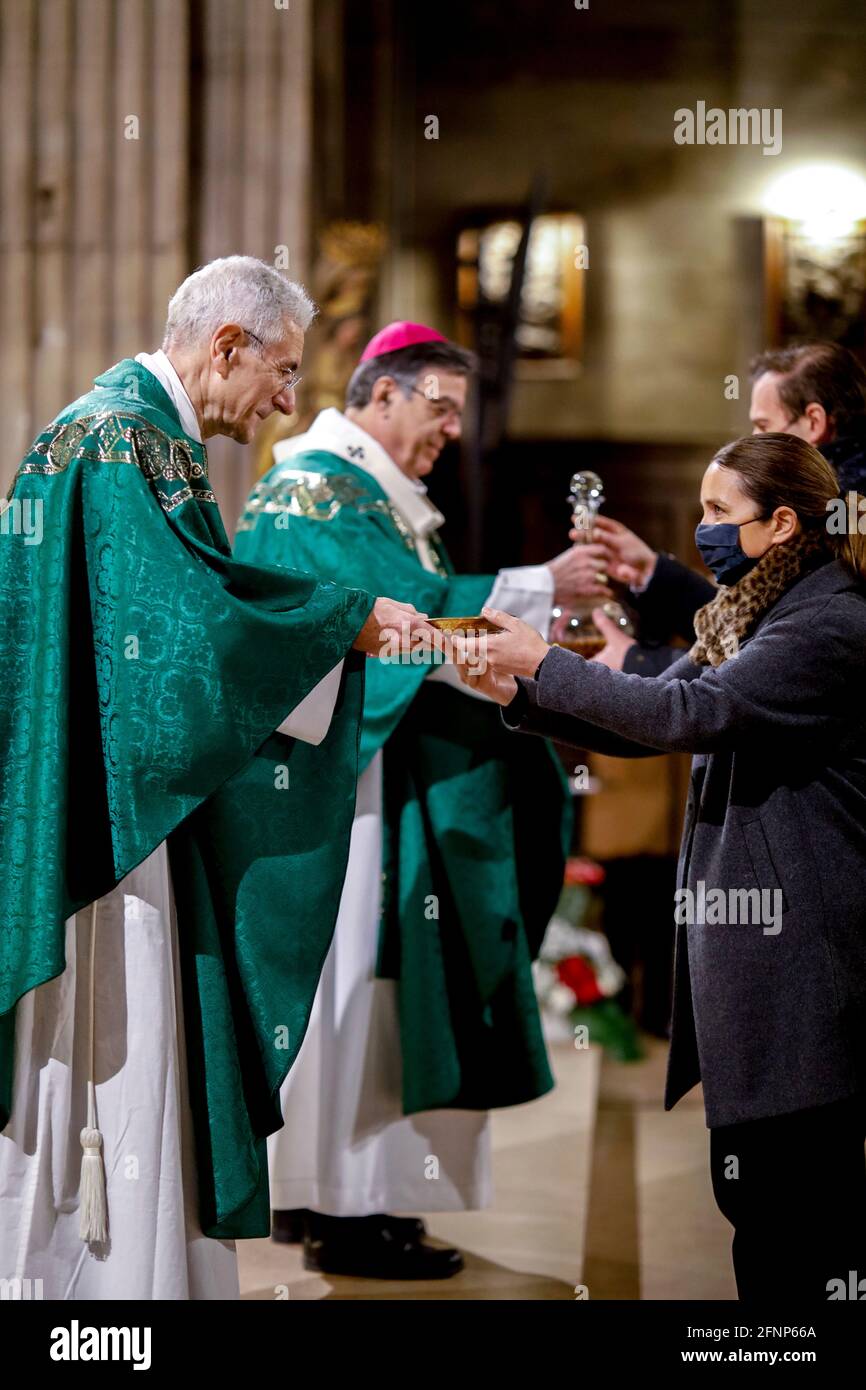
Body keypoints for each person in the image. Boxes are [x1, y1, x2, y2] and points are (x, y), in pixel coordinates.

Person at [0, 257, 434, 1300]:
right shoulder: (121, 436)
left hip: (106, 793)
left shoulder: (128, 430)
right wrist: (345, 620)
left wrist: (326, 624)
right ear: (225, 344)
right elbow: (178, 634)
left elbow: (190, 603)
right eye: (280, 370)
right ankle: (100, 1293)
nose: (288, 398)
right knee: (121, 1042)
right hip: (107, 828)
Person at [456, 432, 866, 1301]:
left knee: (796, 1220)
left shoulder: (829, 621)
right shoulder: (748, 608)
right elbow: (651, 714)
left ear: (783, 523)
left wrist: (547, 663)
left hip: (808, 956)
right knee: (753, 1198)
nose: (705, 529)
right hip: (764, 951)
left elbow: (691, 712)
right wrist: (523, 691)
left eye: (720, 513)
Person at [235, 321, 581, 1279]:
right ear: (381, 395)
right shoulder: (320, 487)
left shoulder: (366, 490)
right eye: (439, 408)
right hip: (351, 789)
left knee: (370, 991)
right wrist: (539, 587)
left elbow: (406, 599)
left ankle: (329, 1198)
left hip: (371, 777)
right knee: (364, 989)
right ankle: (350, 1207)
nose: (450, 432)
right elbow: (388, 617)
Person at [574, 341, 866, 675]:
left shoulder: (836, 518)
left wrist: (640, 661)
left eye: (763, 426)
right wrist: (652, 571)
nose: (752, 439)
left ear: (814, 422)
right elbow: (744, 616)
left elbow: (768, 661)